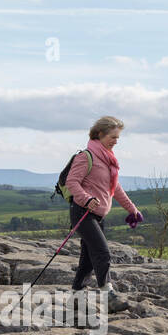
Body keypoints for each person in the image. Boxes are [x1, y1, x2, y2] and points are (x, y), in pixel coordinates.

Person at [64, 116, 142, 311]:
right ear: (100, 134)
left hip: (99, 215)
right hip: (83, 212)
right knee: (102, 252)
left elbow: (115, 189)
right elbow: (72, 182)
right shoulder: (86, 156)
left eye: (118, 138)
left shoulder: (108, 160)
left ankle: (76, 295)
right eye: (113, 137)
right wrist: (86, 199)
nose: (116, 141)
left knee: (89, 258)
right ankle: (109, 296)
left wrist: (132, 209)